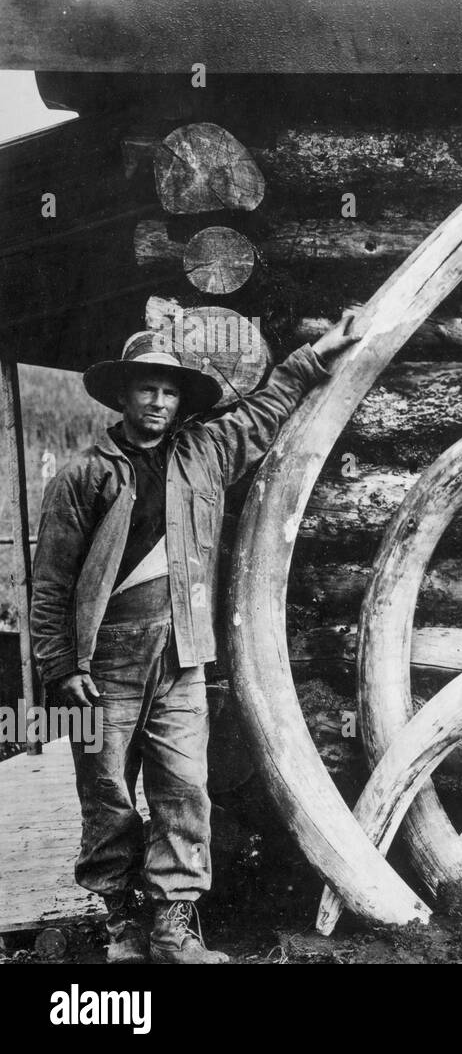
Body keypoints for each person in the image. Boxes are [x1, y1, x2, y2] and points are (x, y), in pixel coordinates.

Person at [30, 314, 361, 963]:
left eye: (169, 390)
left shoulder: (206, 451)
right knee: (106, 792)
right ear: (122, 395)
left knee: (183, 789)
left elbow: (267, 408)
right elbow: (51, 582)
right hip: (104, 663)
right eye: (146, 388)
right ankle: (122, 925)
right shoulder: (84, 475)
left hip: (183, 656)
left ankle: (172, 929)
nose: (158, 401)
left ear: (181, 400)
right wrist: (61, 666)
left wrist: (315, 355)